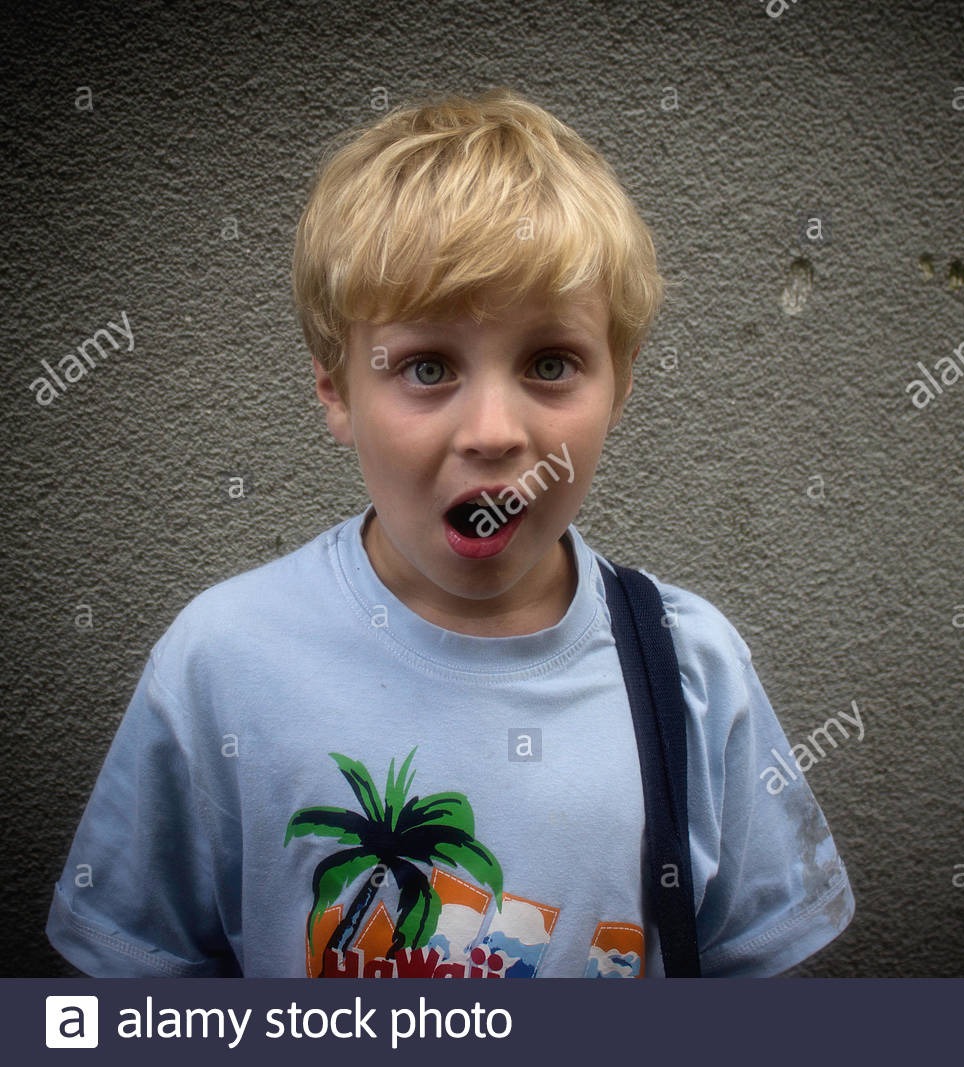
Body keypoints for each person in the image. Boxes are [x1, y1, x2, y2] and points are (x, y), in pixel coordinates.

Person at [45, 87, 855, 978]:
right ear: (335, 390)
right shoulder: (221, 661)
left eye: (551, 363)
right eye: (427, 366)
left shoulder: (694, 671)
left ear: (620, 388)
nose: (493, 432)